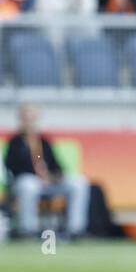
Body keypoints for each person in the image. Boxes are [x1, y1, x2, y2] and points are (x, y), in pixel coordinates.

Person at [5, 102, 91, 238]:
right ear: (21, 120)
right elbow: (13, 167)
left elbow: (54, 164)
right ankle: (28, 229)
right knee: (28, 185)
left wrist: (55, 176)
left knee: (79, 182)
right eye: (26, 119)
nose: (30, 123)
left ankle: (76, 229)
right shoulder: (16, 143)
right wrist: (38, 176)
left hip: (49, 182)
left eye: (32, 119)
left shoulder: (43, 142)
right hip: (29, 182)